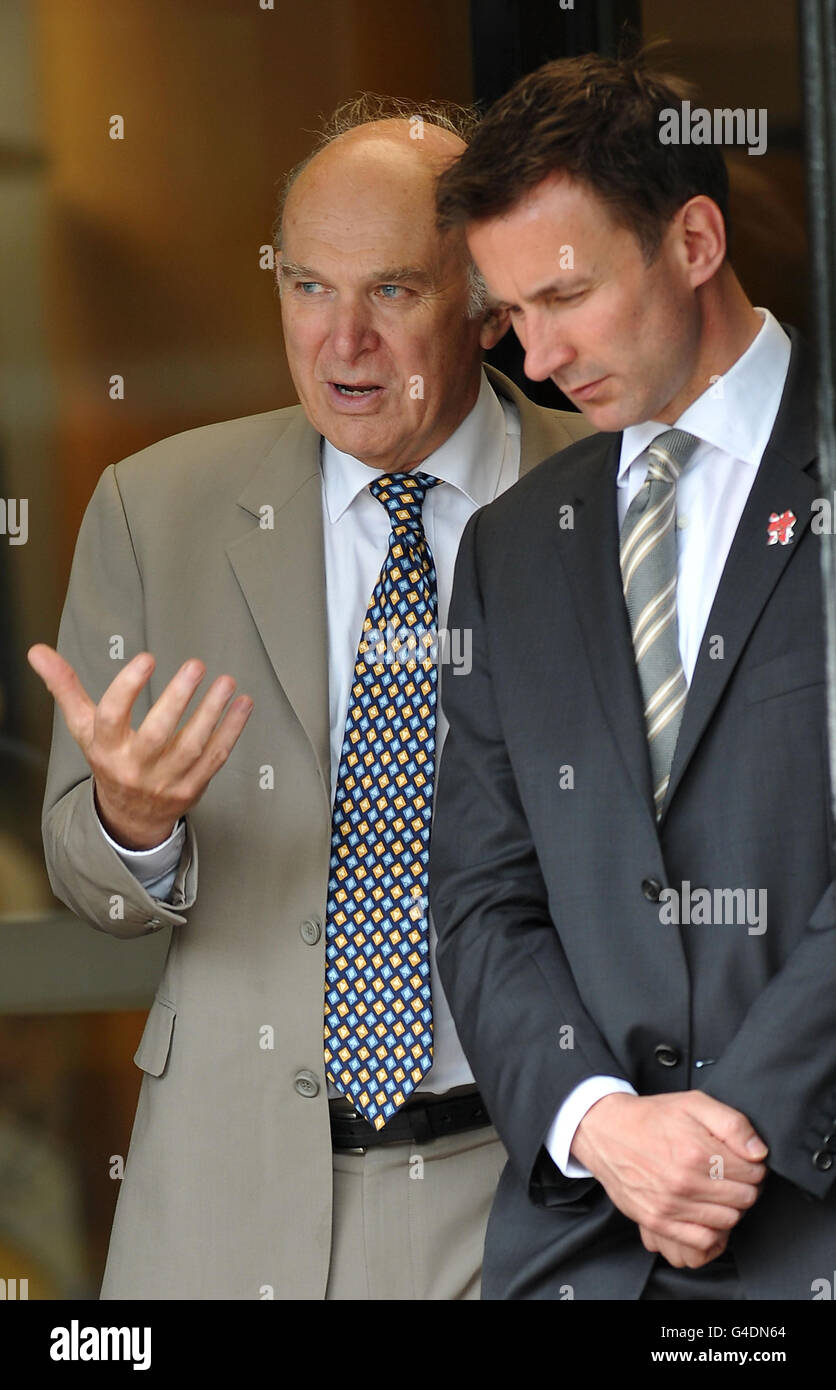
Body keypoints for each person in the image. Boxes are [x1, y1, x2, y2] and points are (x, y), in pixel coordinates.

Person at [28, 95, 593, 1300]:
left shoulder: (603, 500)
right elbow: (85, 881)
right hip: (225, 1197)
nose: (341, 343)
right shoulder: (155, 506)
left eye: (391, 291)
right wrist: (131, 822)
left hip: (533, 1190)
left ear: (488, 299)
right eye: (305, 287)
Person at [429, 53, 836, 1300]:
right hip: (579, 1253)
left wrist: (721, 1140)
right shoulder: (510, 545)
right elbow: (482, 895)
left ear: (695, 239)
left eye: (565, 294)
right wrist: (603, 1124)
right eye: (508, 312)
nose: (536, 358)